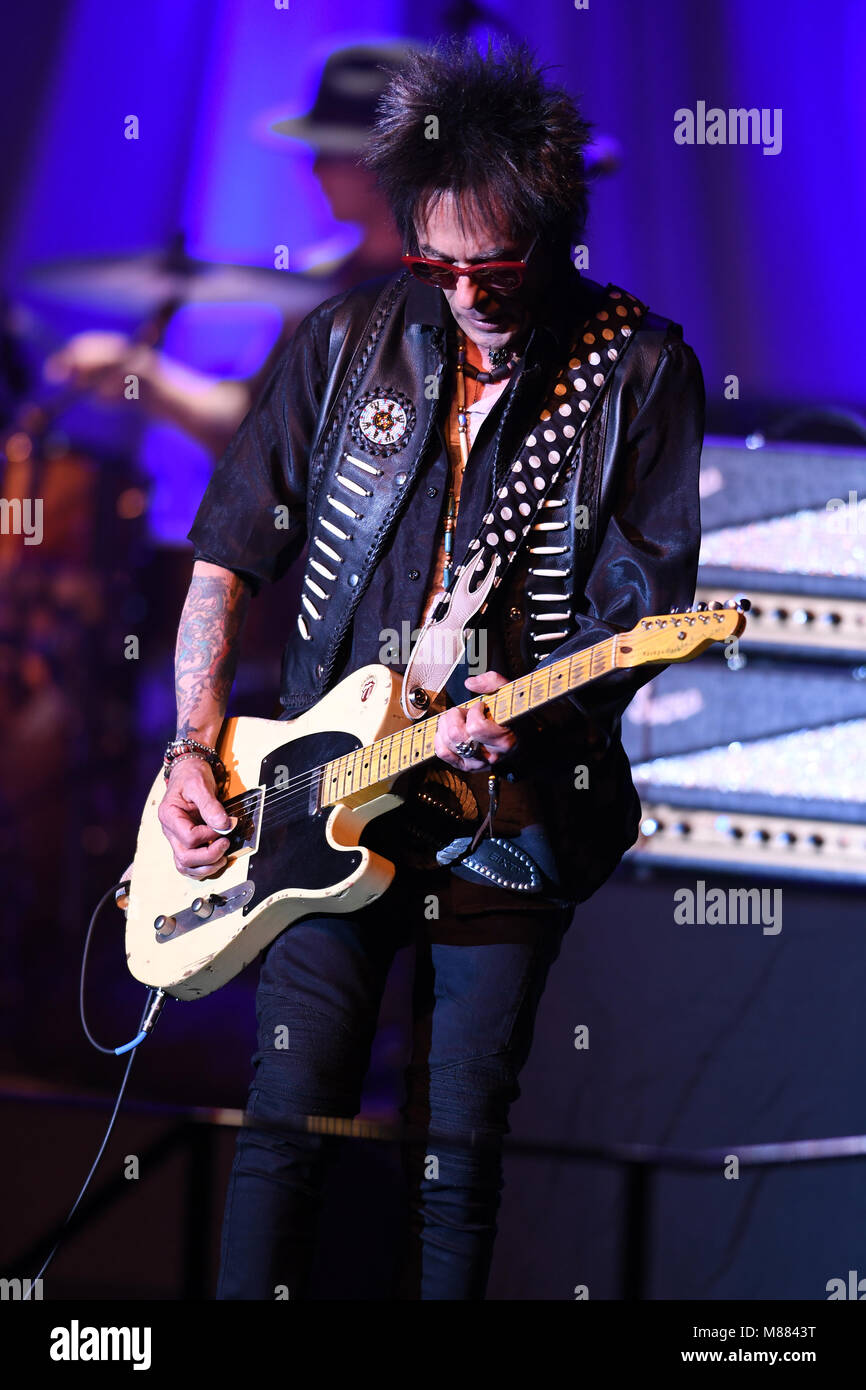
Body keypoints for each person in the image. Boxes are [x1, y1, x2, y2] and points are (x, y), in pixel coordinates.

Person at [155, 38, 704, 1300]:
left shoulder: (636, 371)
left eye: (494, 267)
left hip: (506, 819)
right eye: (436, 262)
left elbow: (636, 605)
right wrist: (192, 746)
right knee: (284, 1127)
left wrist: (532, 719)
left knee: (456, 1158)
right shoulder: (345, 342)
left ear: (551, 235)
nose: (464, 292)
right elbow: (226, 552)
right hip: (321, 792)